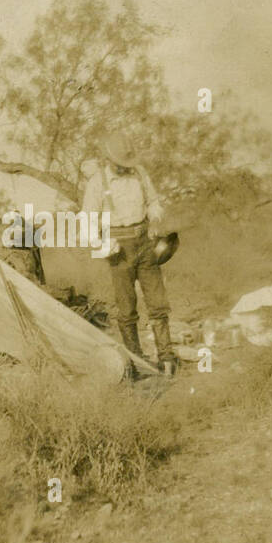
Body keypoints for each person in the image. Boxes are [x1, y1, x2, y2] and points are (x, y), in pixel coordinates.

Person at [82, 132, 177, 376]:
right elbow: (88, 222)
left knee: (157, 303)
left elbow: (154, 201)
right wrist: (102, 243)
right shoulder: (97, 183)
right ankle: (137, 362)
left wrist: (156, 214)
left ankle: (167, 358)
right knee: (126, 308)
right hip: (118, 247)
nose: (125, 168)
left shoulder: (140, 174)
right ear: (109, 160)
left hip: (145, 241)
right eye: (120, 164)